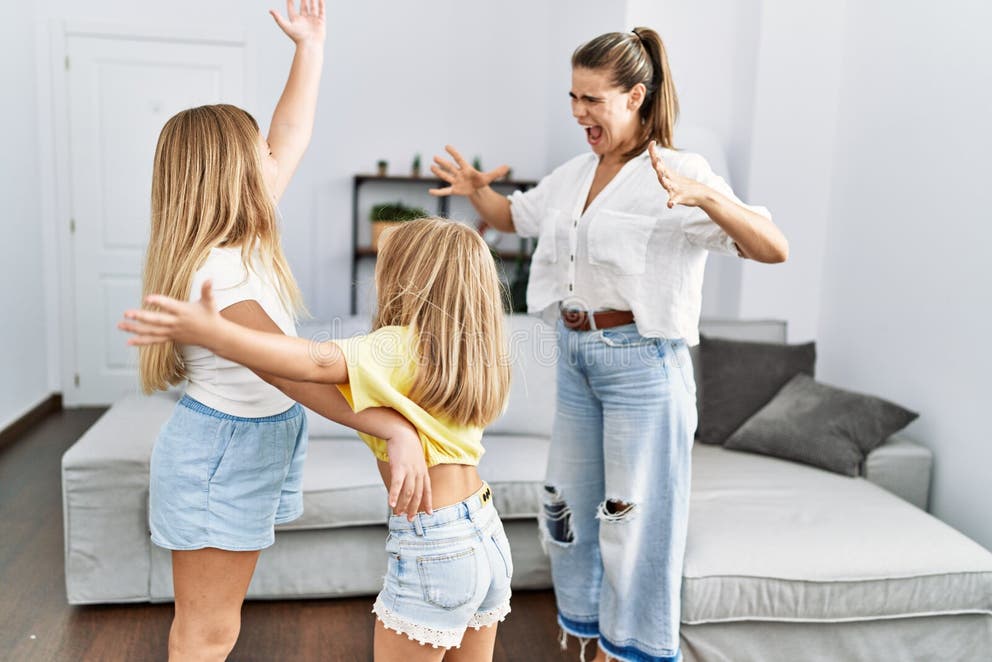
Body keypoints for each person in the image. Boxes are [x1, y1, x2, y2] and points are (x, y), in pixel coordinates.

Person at [428, 27, 788, 662]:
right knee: (565, 510)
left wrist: (706, 196)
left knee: (633, 523)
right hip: (576, 361)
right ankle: (592, 634)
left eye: (592, 98)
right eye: (573, 96)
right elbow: (518, 217)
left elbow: (771, 247)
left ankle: (635, 650)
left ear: (635, 96)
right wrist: (478, 191)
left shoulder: (679, 173)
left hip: (643, 366)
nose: (577, 112)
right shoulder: (574, 176)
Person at [135, 3, 432, 660]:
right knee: (207, 632)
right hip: (222, 452)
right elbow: (293, 367)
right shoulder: (217, 273)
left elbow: (291, 132)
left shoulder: (237, 234)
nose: (270, 158)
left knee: (220, 625)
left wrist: (311, 48)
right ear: (228, 174)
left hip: (256, 439)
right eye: (256, 154)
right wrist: (392, 425)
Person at [121, 218, 515, 662]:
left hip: (436, 547)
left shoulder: (396, 348)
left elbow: (306, 361)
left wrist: (218, 335)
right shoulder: (478, 356)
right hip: (487, 535)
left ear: (408, 282)